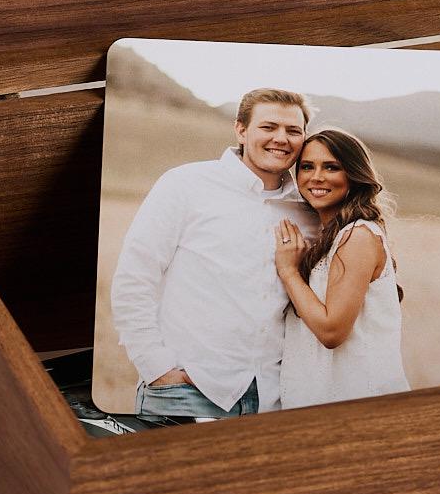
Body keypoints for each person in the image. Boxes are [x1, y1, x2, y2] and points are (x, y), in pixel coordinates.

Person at [110, 89, 318, 418]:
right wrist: (157, 368)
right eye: (268, 127)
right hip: (186, 391)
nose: (281, 138)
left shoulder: (308, 209)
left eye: (293, 130)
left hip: (275, 397)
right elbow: (134, 278)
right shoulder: (186, 184)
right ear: (241, 130)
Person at [273, 129, 411, 408]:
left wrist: (289, 272)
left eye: (331, 167)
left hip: (360, 402)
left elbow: (331, 332)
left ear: (354, 174)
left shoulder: (358, 235)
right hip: (321, 403)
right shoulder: (328, 236)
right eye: (307, 167)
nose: (316, 177)